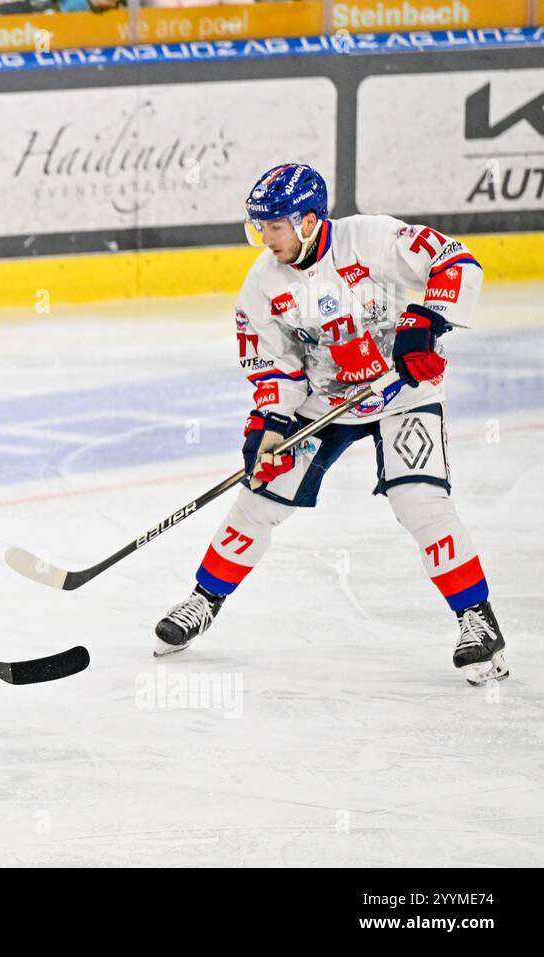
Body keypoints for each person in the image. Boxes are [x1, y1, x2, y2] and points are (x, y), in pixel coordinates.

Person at [154, 163, 507, 686]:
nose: (264, 238)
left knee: (421, 504)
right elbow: (276, 364)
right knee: (260, 496)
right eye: (259, 227)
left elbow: (456, 260)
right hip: (325, 402)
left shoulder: (375, 238)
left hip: (402, 391)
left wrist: (427, 322)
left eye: (274, 226)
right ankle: (204, 601)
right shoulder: (263, 283)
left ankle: (477, 622)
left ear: (311, 221)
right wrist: (269, 424)